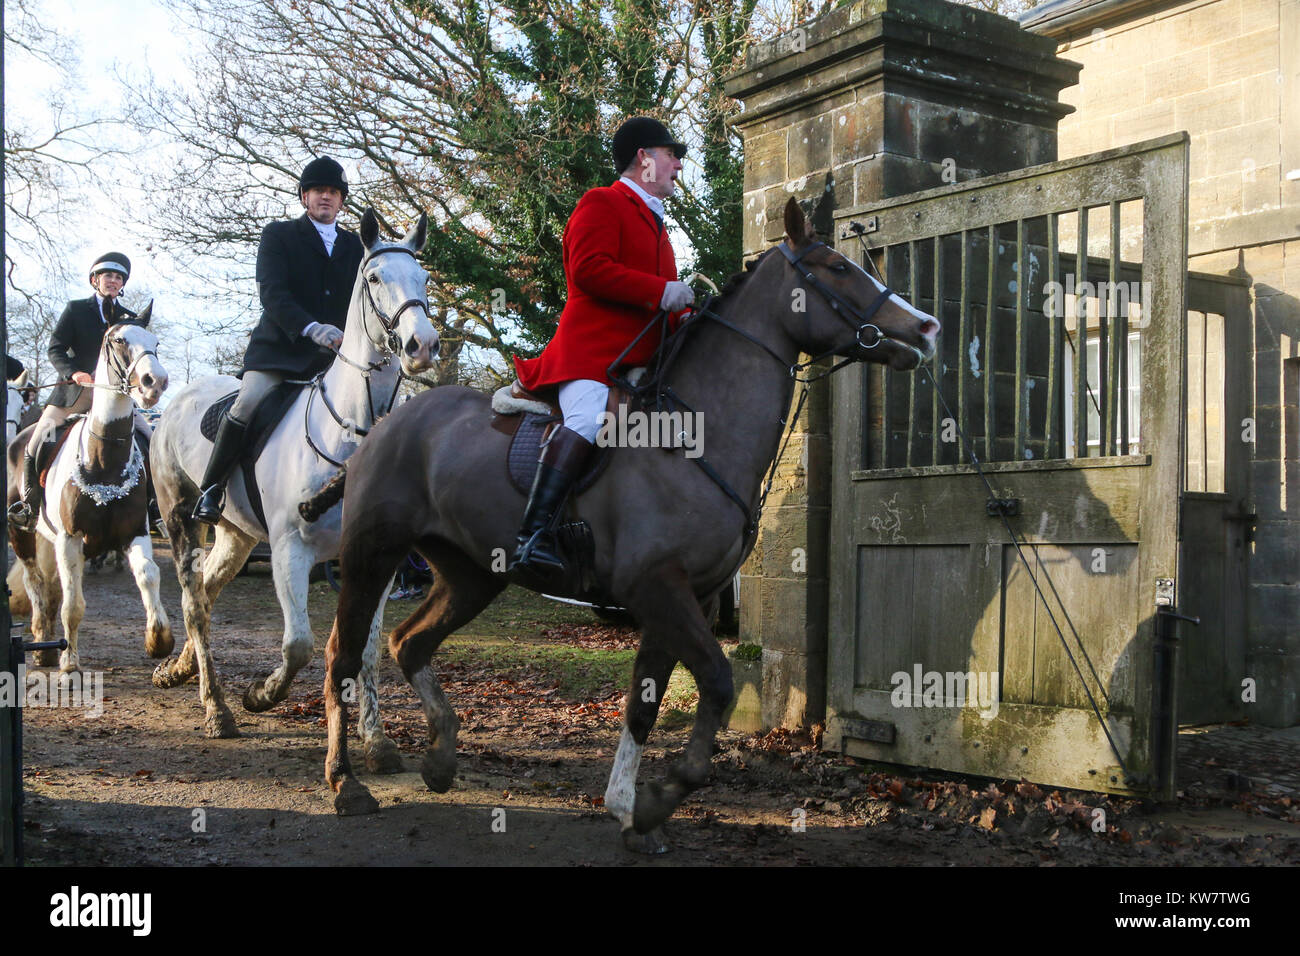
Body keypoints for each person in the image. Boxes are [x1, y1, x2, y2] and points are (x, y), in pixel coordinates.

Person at [509, 116, 695, 582]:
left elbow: (662, 307)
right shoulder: (602, 202)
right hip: (590, 356)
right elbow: (588, 268)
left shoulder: (659, 227)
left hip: (637, 362)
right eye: (671, 154)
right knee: (591, 419)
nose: (677, 165)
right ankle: (531, 538)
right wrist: (660, 291)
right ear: (644, 158)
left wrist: (686, 317)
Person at [191, 156, 364, 524]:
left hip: (335, 358)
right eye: (318, 191)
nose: (326, 197)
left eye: (333, 192)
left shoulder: (355, 247)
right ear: (304, 197)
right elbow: (273, 294)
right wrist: (312, 327)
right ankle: (212, 487)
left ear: (341, 201)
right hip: (280, 352)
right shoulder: (279, 235)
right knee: (248, 402)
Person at [9, 252, 142, 533]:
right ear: (95, 280)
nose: (113, 281)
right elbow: (55, 348)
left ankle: (153, 510)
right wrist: (74, 373)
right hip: (74, 393)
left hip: (115, 397)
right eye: (108, 276)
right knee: (38, 437)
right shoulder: (75, 309)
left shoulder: (129, 319)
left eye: (118, 277)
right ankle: (30, 508)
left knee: (150, 438)